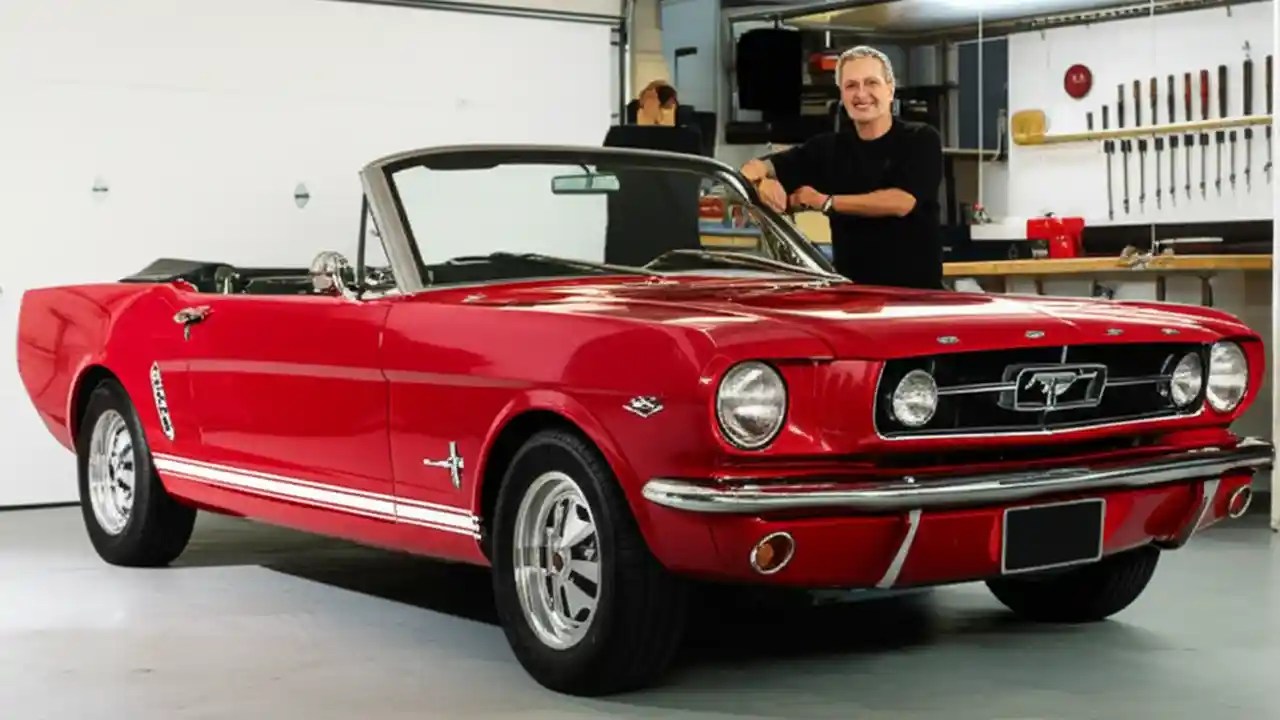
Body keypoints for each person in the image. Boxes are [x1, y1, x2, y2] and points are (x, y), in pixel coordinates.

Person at [740, 46, 945, 290]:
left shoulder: (920, 139)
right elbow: (753, 168)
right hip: (852, 297)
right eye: (851, 86)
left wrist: (825, 202)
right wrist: (764, 182)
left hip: (915, 299)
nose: (861, 94)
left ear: (890, 89)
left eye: (871, 83)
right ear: (842, 95)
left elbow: (901, 202)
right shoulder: (828, 148)